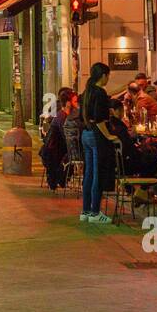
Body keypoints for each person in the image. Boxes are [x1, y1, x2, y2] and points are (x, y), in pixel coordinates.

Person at [79, 62, 115, 224]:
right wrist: (109, 136)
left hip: (86, 134)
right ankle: (95, 213)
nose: (108, 79)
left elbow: (85, 116)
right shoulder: (100, 93)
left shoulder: (87, 92)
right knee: (97, 174)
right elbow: (100, 119)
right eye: (108, 76)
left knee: (88, 173)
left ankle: (85, 210)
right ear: (103, 76)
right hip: (96, 135)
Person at [39, 86, 76, 190]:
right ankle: (62, 177)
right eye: (74, 101)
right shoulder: (62, 116)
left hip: (54, 151)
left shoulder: (63, 114)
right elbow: (67, 136)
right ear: (68, 103)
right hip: (55, 152)